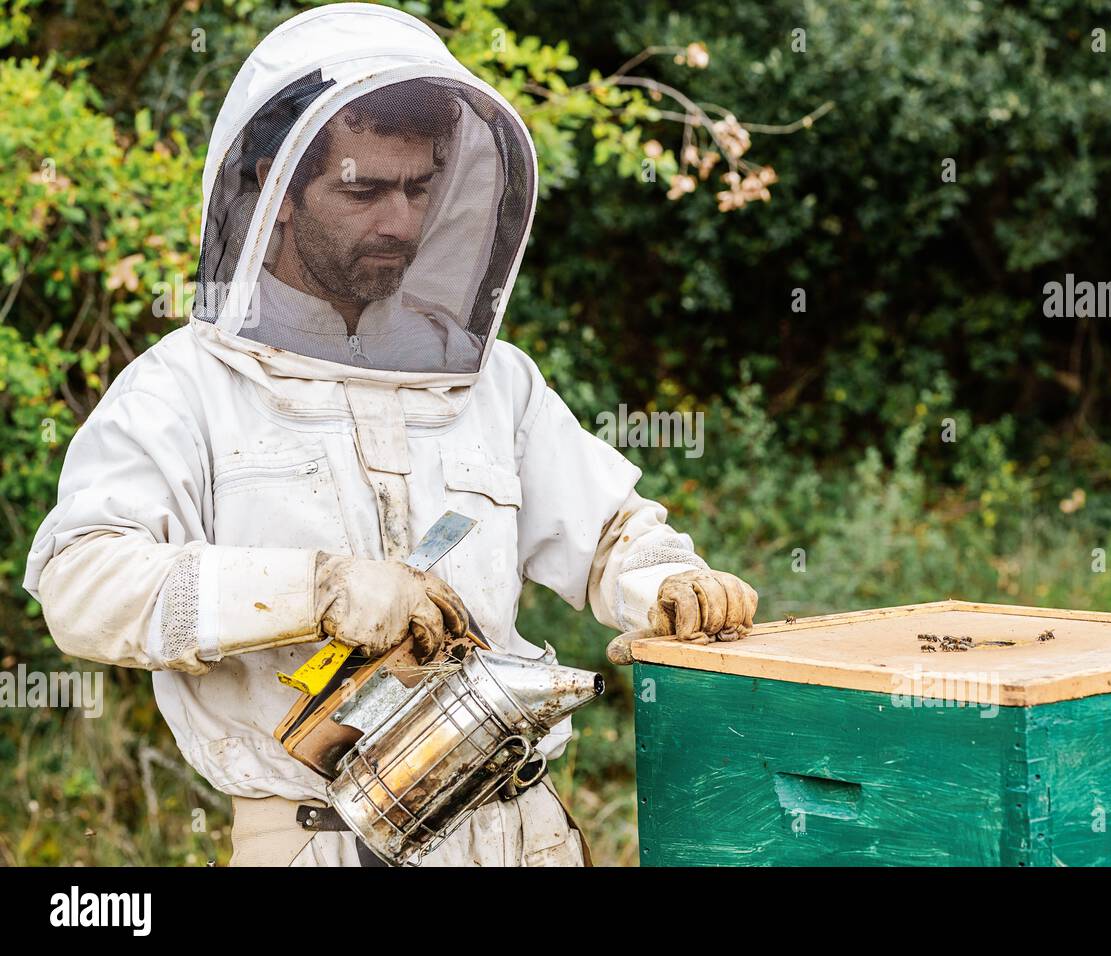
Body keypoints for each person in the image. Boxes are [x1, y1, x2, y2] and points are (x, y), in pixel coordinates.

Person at [24, 2, 758, 867]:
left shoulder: (492, 380)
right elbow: (79, 581)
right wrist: (315, 588)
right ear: (276, 192)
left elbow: (609, 536)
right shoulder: (184, 387)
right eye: (363, 189)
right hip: (325, 840)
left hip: (521, 837)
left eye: (418, 188)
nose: (399, 222)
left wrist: (670, 581)